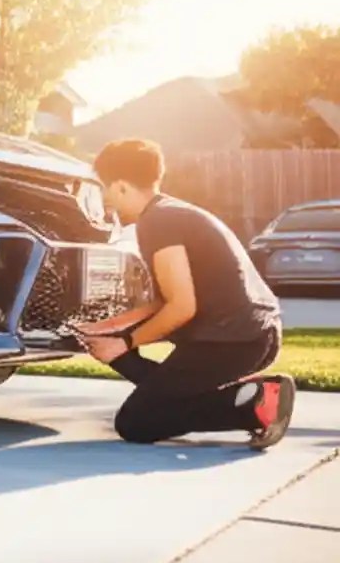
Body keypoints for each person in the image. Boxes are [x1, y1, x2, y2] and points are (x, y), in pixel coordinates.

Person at [74, 139, 295, 450]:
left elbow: (181, 307)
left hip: (233, 341)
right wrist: (110, 328)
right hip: (249, 336)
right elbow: (167, 300)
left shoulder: (158, 221)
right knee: (160, 395)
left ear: (121, 186)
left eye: (104, 189)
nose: (106, 200)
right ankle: (256, 398)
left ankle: (254, 405)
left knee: (136, 421)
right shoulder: (171, 212)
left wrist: (124, 343)